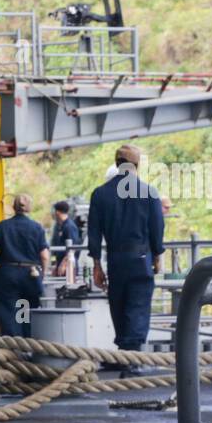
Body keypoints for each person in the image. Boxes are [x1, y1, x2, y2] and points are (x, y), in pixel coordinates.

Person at [87, 143, 166, 364]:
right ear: (137, 165)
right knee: (138, 306)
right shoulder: (149, 193)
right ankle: (132, 360)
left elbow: (93, 232)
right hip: (141, 258)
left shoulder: (100, 194)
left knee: (119, 304)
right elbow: (157, 228)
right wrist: (158, 256)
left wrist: (96, 265)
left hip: (115, 260)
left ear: (116, 163)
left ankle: (124, 354)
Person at [0, 194, 49, 338]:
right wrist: (43, 274)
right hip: (30, 275)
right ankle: (26, 343)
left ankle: (13, 346)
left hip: (7, 274)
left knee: (8, 311)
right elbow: (45, 256)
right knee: (25, 309)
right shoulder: (36, 228)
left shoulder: (1, 227)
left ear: (13, 207)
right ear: (29, 208)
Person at [50, 200, 81, 281]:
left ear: (57, 212)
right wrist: (56, 265)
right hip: (61, 265)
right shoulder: (60, 226)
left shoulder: (69, 226)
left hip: (68, 266)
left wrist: (64, 264)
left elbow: (72, 248)